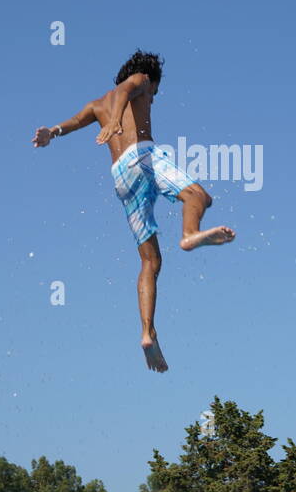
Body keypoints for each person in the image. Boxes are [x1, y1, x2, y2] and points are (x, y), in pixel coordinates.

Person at [31, 50, 234, 372]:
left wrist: (51, 133)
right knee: (199, 196)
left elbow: (73, 123)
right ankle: (190, 234)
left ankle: (147, 333)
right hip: (142, 156)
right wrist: (116, 120)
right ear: (150, 80)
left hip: (120, 177)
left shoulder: (96, 103)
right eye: (154, 94)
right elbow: (127, 89)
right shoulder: (138, 81)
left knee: (150, 261)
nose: (151, 99)